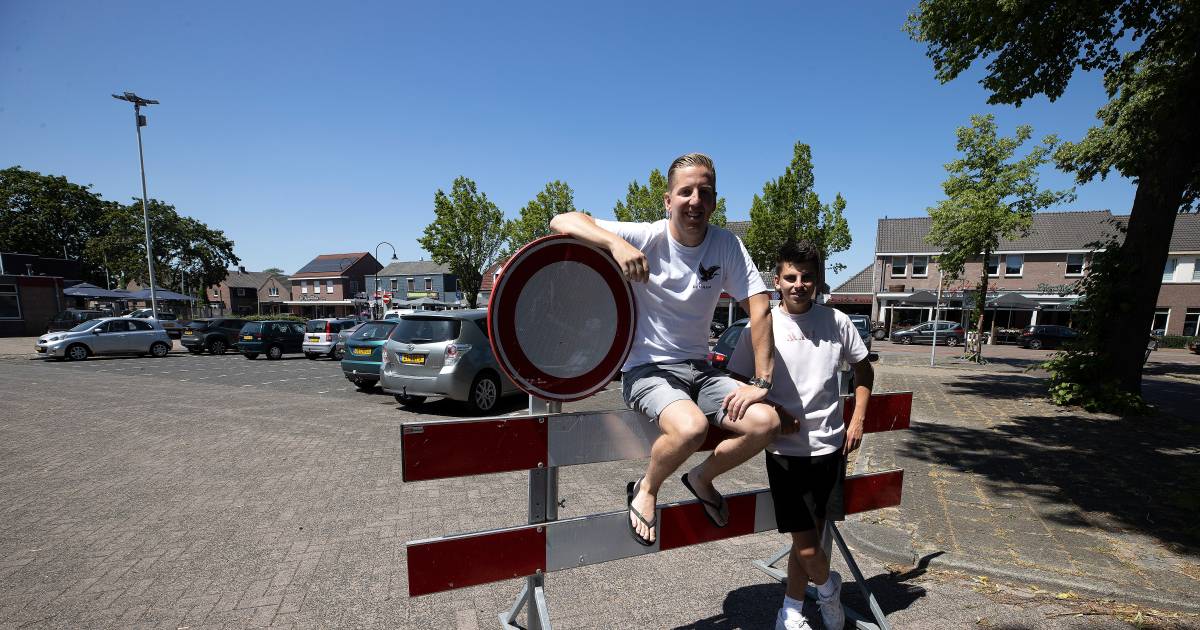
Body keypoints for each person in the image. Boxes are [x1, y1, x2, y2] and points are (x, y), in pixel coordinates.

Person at [549, 152, 782, 546]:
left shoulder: (726, 244)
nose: (695, 200)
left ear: (714, 201)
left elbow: (759, 307)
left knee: (767, 423)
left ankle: (702, 478)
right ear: (668, 200)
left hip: (701, 371)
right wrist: (616, 245)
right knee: (692, 429)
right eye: (686, 191)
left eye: (704, 192)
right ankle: (646, 488)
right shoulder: (647, 236)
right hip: (648, 371)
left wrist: (761, 381)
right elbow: (562, 220)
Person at [726, 241, 873, 630]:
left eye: (807, 277)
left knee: (805, 542)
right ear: (776, 281)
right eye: (790, 277)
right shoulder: (762, 326)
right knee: (807, 545)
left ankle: (790, 611)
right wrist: (773, 411)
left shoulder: (837, 321)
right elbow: (735, 382)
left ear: (818, 281)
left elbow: (864, 370)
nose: (798, 284)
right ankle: (828, 589)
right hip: (784, 453)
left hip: (830, 448)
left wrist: (858, 418)